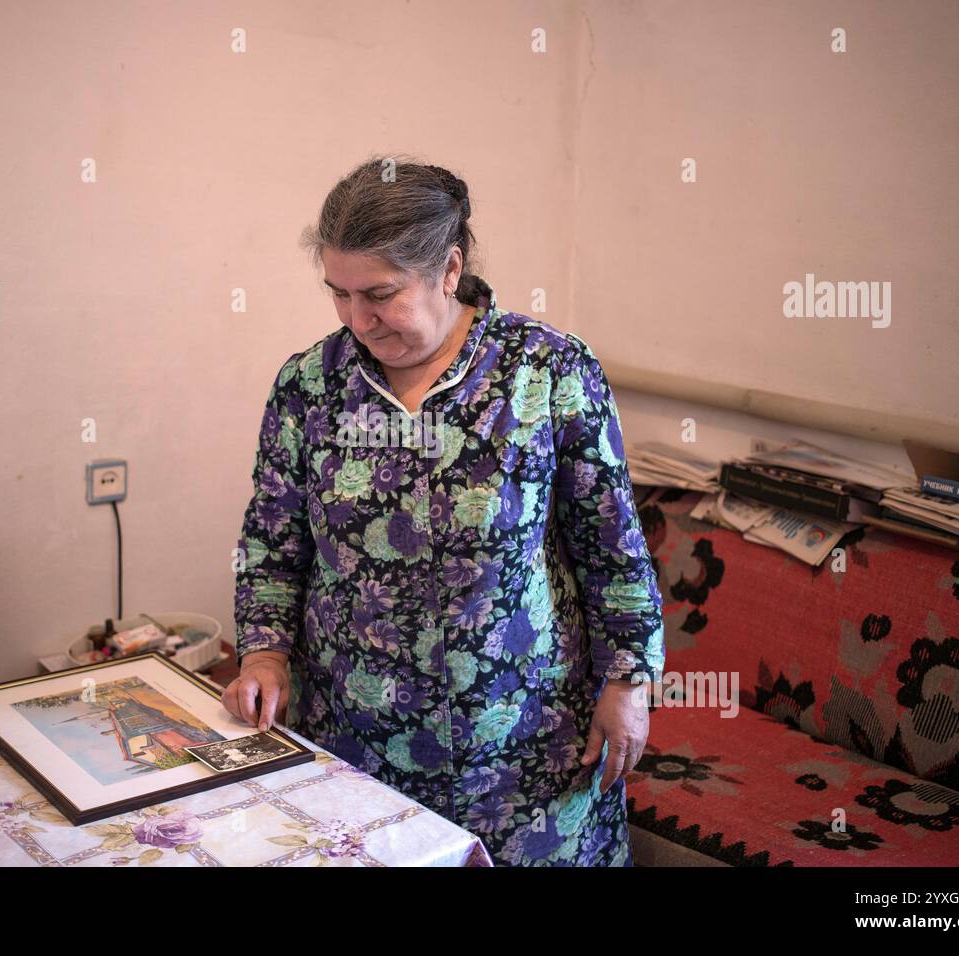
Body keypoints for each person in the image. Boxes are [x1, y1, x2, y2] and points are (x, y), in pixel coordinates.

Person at [224, 155, 665, 866]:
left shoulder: (547, 371)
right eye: (338, 292)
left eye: (380, 293)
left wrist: (628, 680)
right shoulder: (310, 385)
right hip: (354, 740)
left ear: (450, 270)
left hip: (526, 750)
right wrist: (265, 653)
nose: (356, 317)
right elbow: (272, 541)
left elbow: (612, 544)